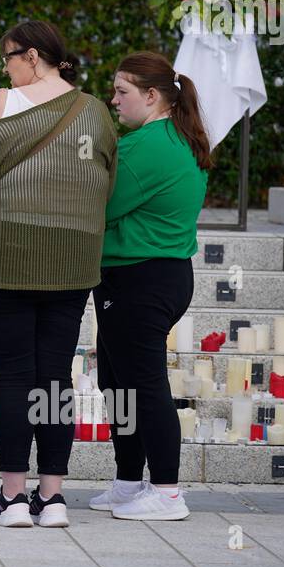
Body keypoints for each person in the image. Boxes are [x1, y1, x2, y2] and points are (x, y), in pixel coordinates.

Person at [0, 20, 117, 528]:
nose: (6, 68)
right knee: (54, 379)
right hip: (70, 261)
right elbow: (104, 180)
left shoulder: (3, 102)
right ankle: (55, 497)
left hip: (4, 255)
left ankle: (15, 498)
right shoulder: (95, 112)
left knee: (13, 377)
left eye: (9, 58)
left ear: (34, 57)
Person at [89, 51, 209, 521]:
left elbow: (98, 206)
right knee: (117, 384)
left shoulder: (148, 147)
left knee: (144, 387)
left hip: (141, 277)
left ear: (152, 96)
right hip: (150, 275)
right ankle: (126, 481)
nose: (114, 100)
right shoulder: (171, 136)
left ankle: (167, 491)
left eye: (122, 92)